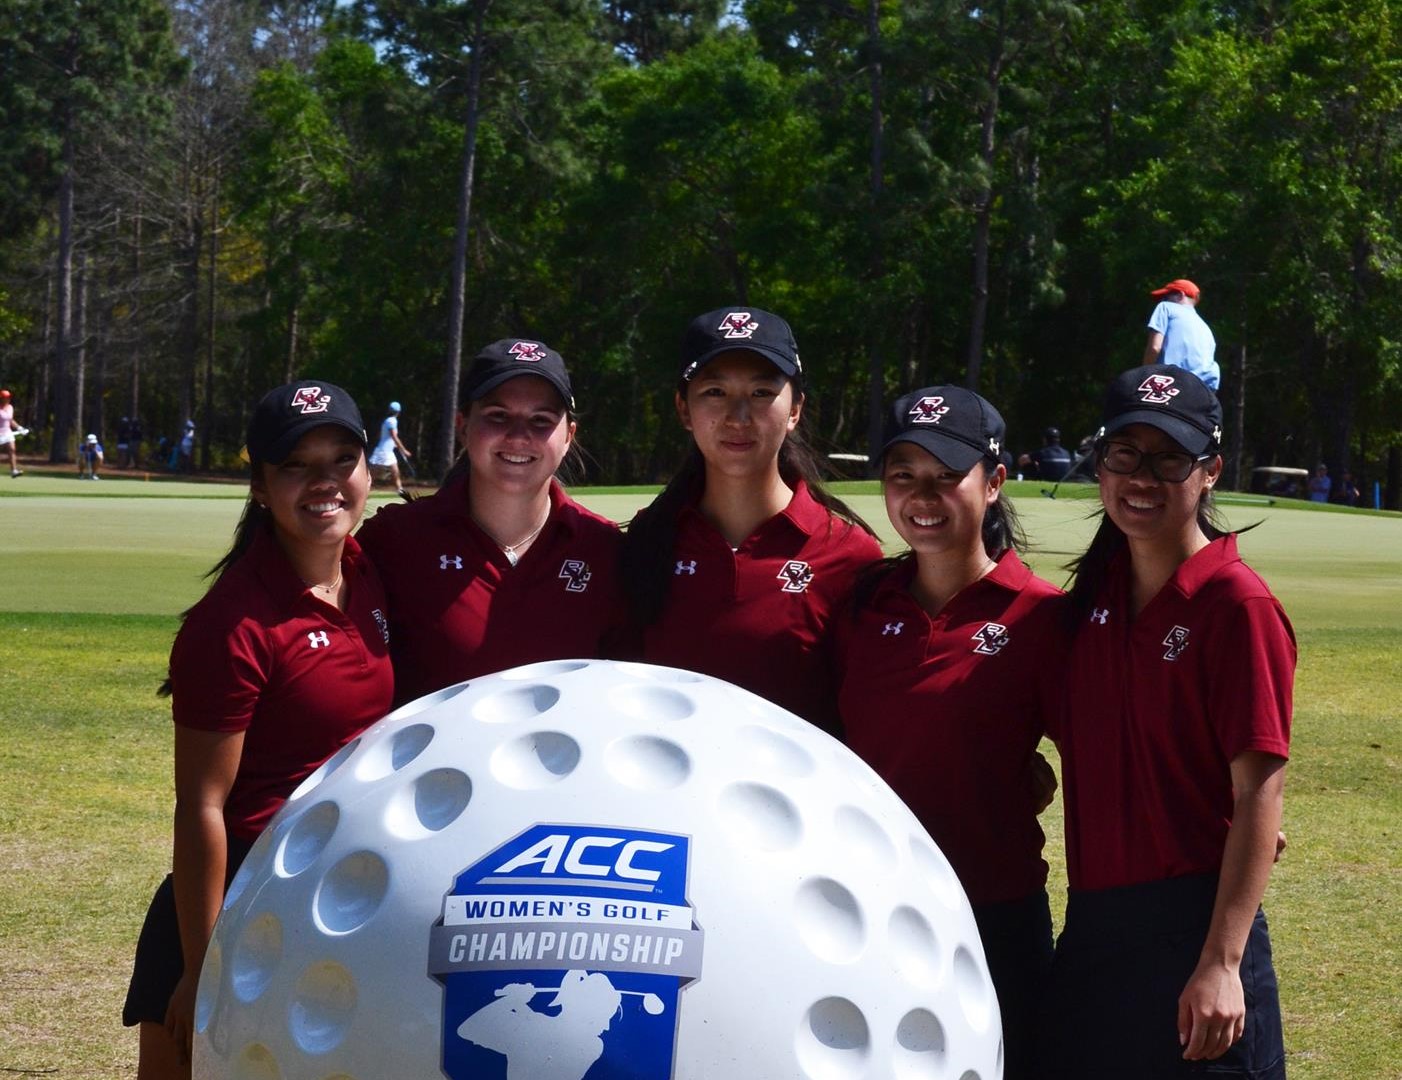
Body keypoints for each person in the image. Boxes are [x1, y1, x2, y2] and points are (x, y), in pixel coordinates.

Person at [123, 380, 393, 1079]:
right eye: (296, 465)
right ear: (259, 486)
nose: (324, 482)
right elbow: (203, 807)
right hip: (240, 903)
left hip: (339, 903)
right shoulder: (233, 622)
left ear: (368, 472)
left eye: (341, 459)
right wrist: (201, 964)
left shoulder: (368, 574)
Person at [1042, 364, 1293, 1079]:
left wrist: (1221, 963)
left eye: (1169, 458)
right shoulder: (1092, 602)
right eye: (1125, 454)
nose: (1142, 477)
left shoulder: (1236, 604)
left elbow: (1259, 793)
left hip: (1195, 932)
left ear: (1209, 470)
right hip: (1092, 932)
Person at [835, 385, 1063, 1080]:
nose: (922, 496)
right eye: (903, 476)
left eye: (944, 477)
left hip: (993, 912)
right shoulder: (862, 603)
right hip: (868, 912)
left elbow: (1106, 756)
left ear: (993, 483)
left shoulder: (1043, 616)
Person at [619, 307, 882, 734]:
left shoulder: (849, 554)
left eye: (761, 393)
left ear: (795, 409)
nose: (738, 416)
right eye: (715, 392)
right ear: (684, 410)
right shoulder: (647, 542)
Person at [357, 338, 625, 704]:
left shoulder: (605, 548)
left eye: (541, 420)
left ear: (568, 437)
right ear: (463, 425)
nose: (518, 436)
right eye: (498, 415)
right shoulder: (395, 540)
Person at [1142, 278, 1219, 391]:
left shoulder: (1165, 307)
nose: (1163, 300)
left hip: (1171, 382)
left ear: (1180, 295)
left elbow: (1155, 347)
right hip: (1202, 389)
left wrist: (1143, 376)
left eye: (1166, 297)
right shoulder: (1205, 327)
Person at [369, 400, 412, 494]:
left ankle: (400, 490)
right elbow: (394, 436)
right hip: (383, 451)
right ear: (398, 412)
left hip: (387, 451)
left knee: (395, 471)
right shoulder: (391, 421)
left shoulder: (387, 421)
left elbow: (383, 436)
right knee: (374, 473)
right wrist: (403, 450)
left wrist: (393, 444)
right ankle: (364, 486)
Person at [1, 388, 23, 477]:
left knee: (12, 450)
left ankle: (14, 470)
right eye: (5, 397)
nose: (7, 399)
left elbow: (10, 420)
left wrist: (19, 428)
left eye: (8, 397)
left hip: (8, 433)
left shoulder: (10, 407)